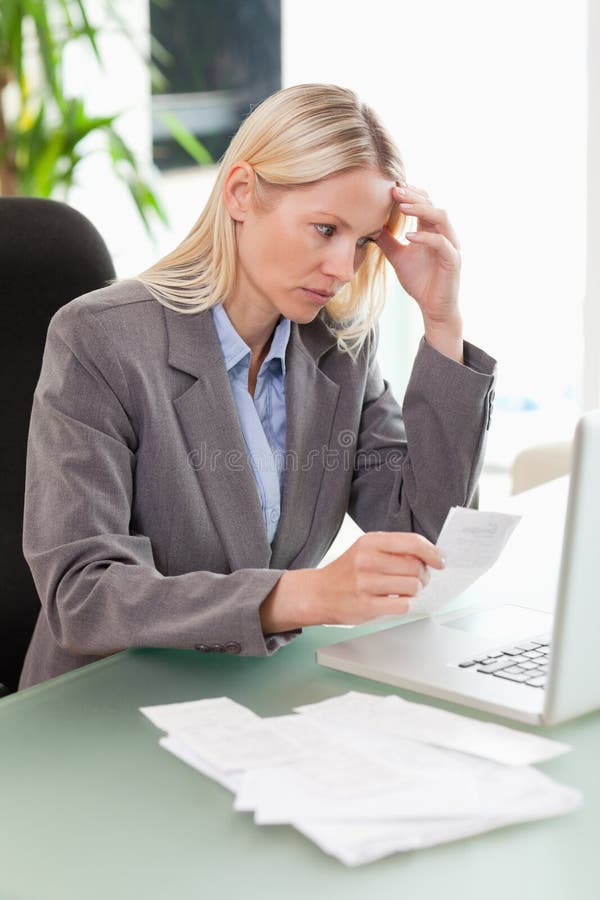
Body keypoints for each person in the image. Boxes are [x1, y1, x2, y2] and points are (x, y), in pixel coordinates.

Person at [19, 83, 496, 689]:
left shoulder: (340, 348)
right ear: (242, 193)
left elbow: (426, 536)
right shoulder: (100, 339)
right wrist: (300, 596)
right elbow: (83, 596)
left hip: (248, 695)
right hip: (106, 701)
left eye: (364, 241)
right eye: (325, 229)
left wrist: (442, 325)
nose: (343, 269)